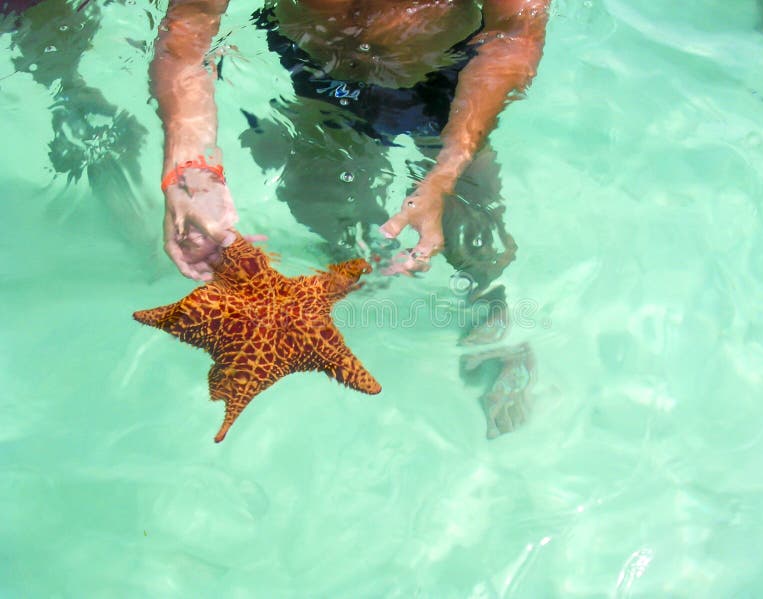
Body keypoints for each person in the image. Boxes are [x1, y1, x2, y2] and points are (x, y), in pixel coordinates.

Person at [150, 0, 551, 437]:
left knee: (474, 228)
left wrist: (447, 171)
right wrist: (189, 169)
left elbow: (514, 35)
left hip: (444, 78)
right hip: (319, 67)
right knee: (318, 205)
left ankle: (489, 313)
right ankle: (352, 295)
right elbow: (188, 30)